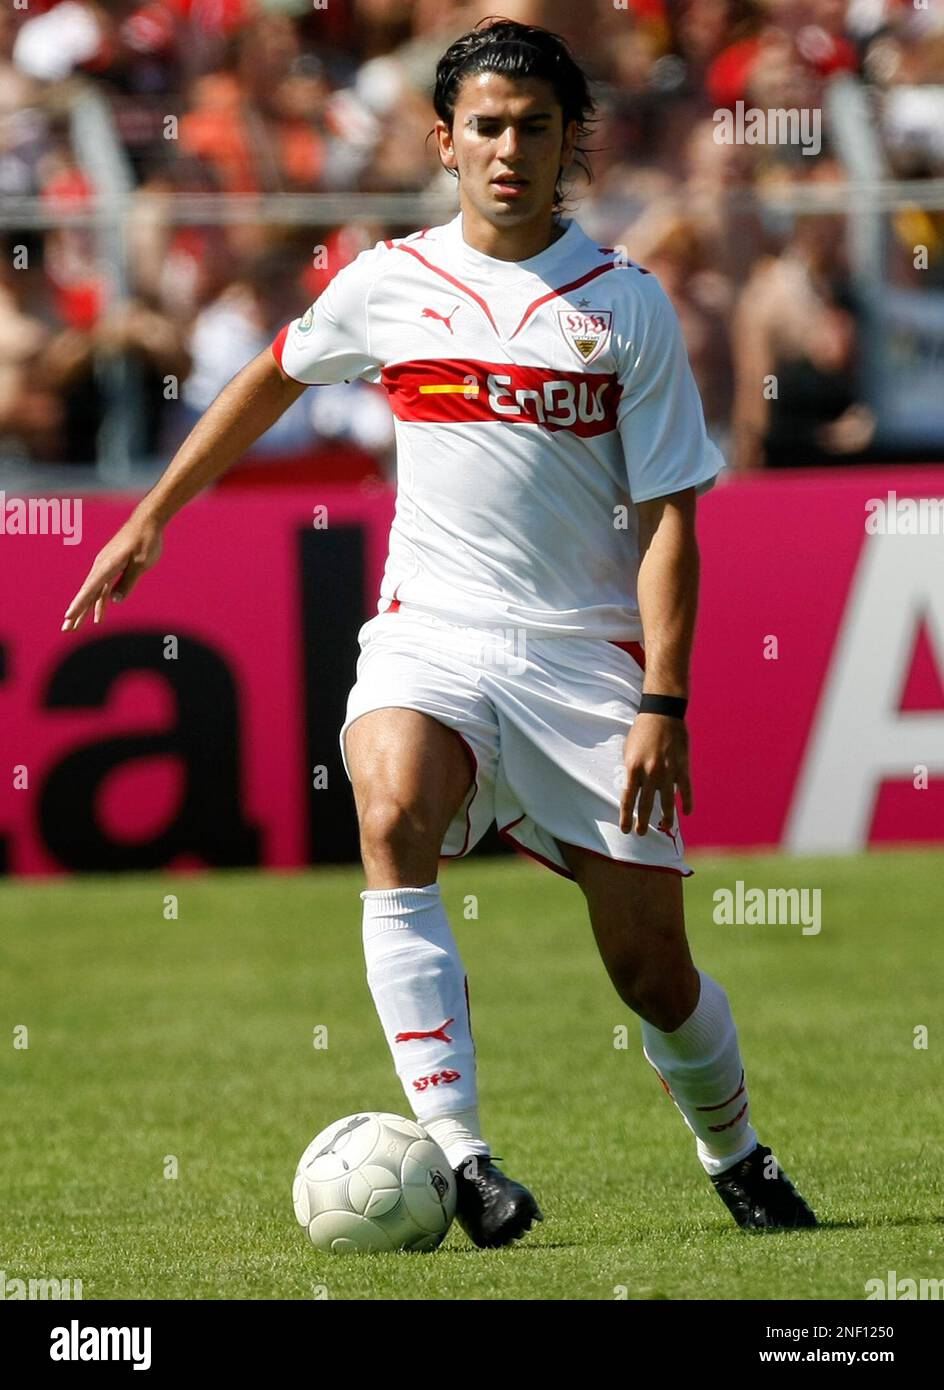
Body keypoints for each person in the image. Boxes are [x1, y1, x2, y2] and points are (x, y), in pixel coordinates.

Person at [61, 17, 816, 1249]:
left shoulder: (625, 307)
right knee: (389, 806)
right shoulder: (388, 280)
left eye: (532, 126)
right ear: (444, 141)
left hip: (584, 662)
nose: (507, 148)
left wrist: (661, 703)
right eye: (484, 126)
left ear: (569, 141)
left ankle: (733, 1151)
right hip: (429, 630)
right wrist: (151, 516)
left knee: (652, 976)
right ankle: (463, 1155)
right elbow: (274, 371)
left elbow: (674, 521)